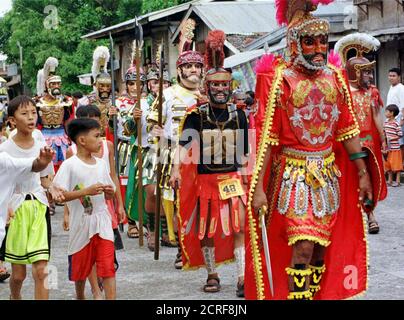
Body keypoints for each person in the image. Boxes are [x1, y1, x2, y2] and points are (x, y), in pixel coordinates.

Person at [246, 0, 373, 300]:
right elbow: (268, 138)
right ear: (294, 42)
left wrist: (363, 173)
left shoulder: (335, 78)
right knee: (302, 246)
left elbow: (347, 131)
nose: (318, 49)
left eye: (322, 42)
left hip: (328, 175)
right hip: (293, 176)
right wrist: (259, 189)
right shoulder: (280, 80)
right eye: (309, 41)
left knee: (319, 249)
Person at [170, 30, 249, 297]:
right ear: (207, 87)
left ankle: (241, 276)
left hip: (232, 179)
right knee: (207, 229)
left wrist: (249, 176)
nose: (219, 89)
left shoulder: (239, 114)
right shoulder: (195, 115)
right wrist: (174, 170)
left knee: (238, 225)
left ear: (230, 86)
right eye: (214, 85)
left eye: (223, 85)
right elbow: (183, 146)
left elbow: (245, 151)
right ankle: (212, 273)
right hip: (205, 180)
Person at [148, 18, 205, 260]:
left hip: (203, 155)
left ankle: (202, 244)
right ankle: (181, 246)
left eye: (197, 66)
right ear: (180, 70)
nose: (193, 70)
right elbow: (153, 121)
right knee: (174, 199)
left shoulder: (208, 94)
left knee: (201, 201)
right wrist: (156, 132)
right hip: (171, 152)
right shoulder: (167, 94)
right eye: (189, 66)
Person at [0, 95, 63, 300]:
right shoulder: (5, 149)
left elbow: (44, 177)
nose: (30, 117)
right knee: (18, 274)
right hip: (16, 210)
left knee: (42, 270)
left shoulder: (39, 139)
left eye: (33, 113)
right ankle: (14, 296)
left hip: (38, 207)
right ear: (12, 120)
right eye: (24, 113)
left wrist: (52, 188)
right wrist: (6, 206)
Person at [54, 118, 117, 300]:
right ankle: (80, 296)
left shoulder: (101, 164)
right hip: (80, 223)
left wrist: (110, 192)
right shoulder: (69, 165)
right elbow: (60, 195)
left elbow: (109, 194)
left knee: (107, 267)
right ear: (82, 140)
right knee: (80, 269)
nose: (101, 141)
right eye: (97, 136)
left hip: (102, 222)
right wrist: (86, 191)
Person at [334, 33, 387, 234]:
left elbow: (375, 116)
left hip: (368, 144)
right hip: (348, 144)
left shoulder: (371, 92)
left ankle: (370, 214)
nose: (370, 77)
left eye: (369, 73)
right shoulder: (342, 92)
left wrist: (383, 138)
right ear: (354, 72)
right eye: (365, 73)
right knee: (348, 179)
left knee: (370, 177)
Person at [112, 63, 150, 241]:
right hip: (126, 147)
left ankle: (147, 220)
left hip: (148, 147)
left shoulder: (151, 101)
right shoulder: (119, 103)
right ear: (126, 85)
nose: (136, 87)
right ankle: (130, 221)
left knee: (146, 184)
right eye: (131, 84)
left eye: (139, 83)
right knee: (126, 183)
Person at [36, 57, 72, 172]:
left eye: (58, 84)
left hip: (62, 136)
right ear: (47, 85)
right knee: (45, 168)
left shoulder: (65, 101)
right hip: (44, 135)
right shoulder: (37, 102)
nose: (56, 86)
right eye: (53, 84)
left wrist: (72, 137)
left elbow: (68, 121)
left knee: (64, 167)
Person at [78, 46, 114, 141]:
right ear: (95, 85)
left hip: (111, 142)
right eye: (102, 86)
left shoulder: (115, 101)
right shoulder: (86, 102)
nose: (105, 89)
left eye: (108, 86)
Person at [387, 68, 404, 165]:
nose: (391, 78)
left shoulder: (401, 88)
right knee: (394, 143)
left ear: (398, 77)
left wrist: (402, 119)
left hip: (399, 120)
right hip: (392, 120)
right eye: (390, 75)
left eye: (393, 76)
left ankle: (400, 164)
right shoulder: (391, 87)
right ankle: (396, 164)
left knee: (400, 143)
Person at [384, 104, 403, 187]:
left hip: (395, 148)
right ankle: (389, 180)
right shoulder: (385, 122)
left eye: (387, 111)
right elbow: (383, 132)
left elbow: (400, 135)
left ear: (392, 113)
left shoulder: (396, 124)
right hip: (387, 148)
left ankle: (398, 181)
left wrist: (391, 139)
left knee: (396, 165)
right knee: (388, 164)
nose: (385, 113)